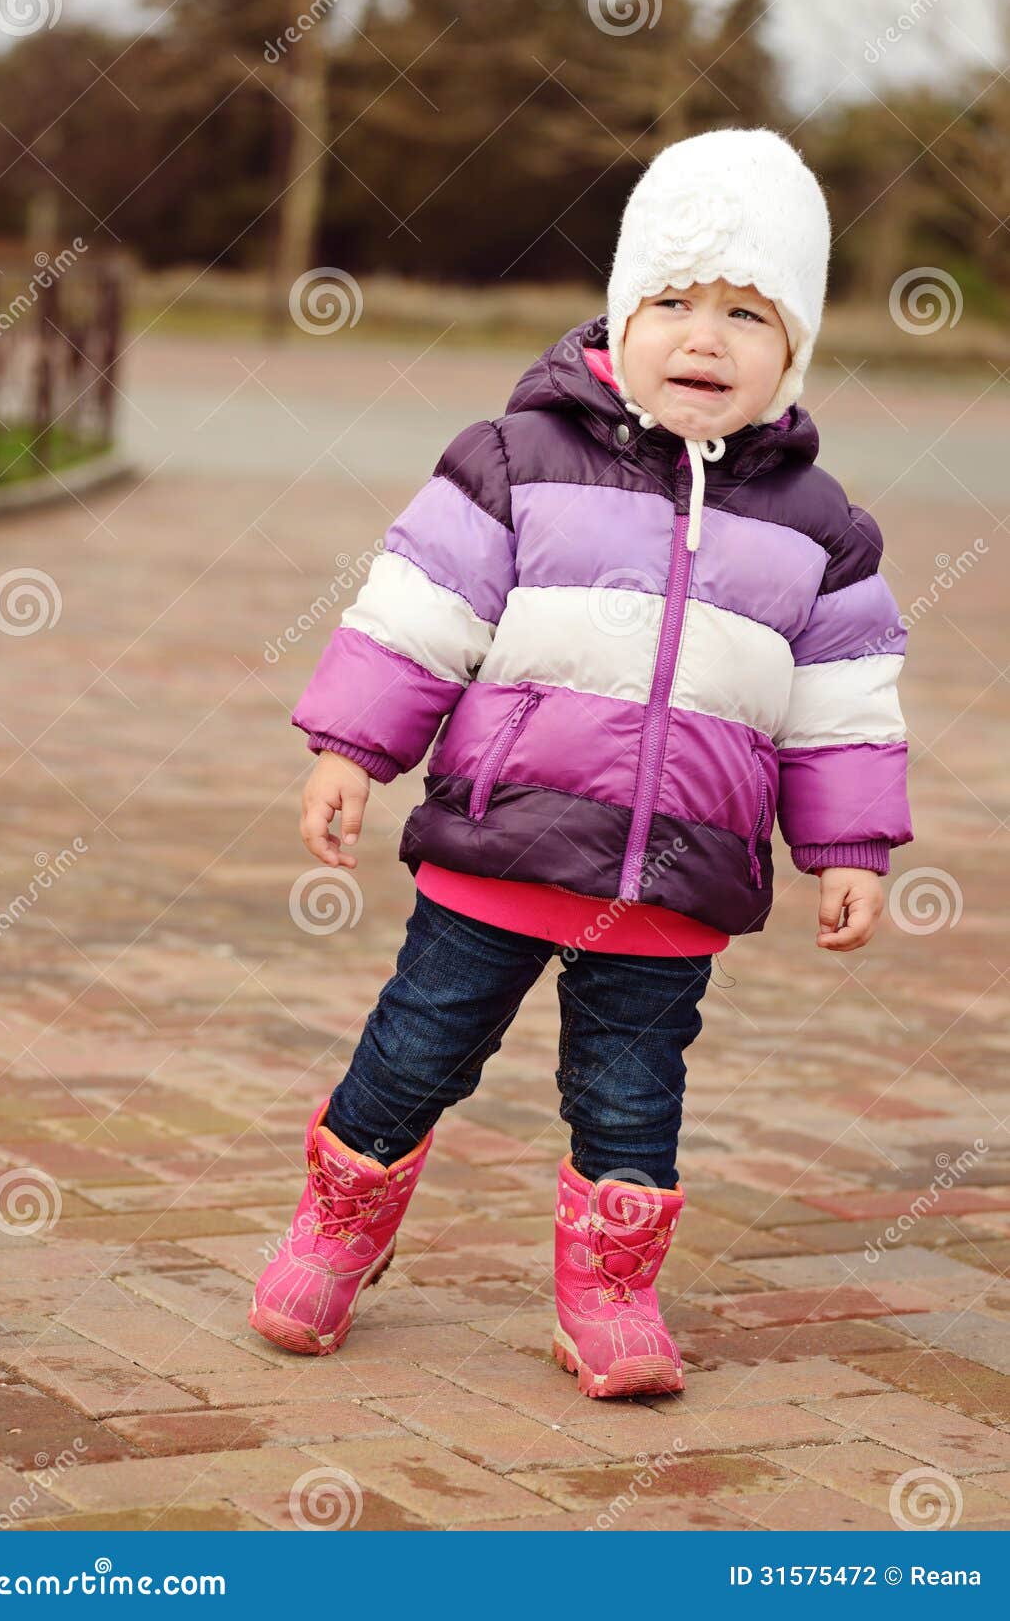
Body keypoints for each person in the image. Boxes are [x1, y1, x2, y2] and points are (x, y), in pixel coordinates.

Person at [248, 127, 913, 1399]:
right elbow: (420, 612)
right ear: (621, 312)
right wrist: (350, 749)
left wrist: (850, 848)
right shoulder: (519, 459)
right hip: (500, 845)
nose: (705, 338)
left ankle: (609, 1293)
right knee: (415, 1050)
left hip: (674, 881)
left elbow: (844, 706)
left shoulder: (821, 530)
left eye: (747, 313)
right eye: (674, 302)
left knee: (630, 1093)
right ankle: (335, 1231)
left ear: (795, 347)